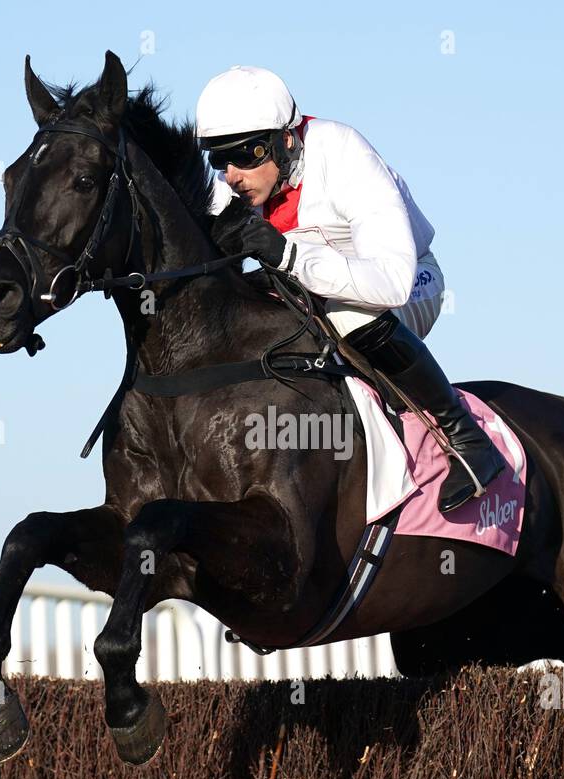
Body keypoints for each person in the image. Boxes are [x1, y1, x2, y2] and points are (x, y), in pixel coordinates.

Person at [195, 65, 507, 513]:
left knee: (348, 313)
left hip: (410, 283)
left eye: (246, 154)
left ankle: (465, 436)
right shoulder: (237, 184)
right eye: (218, 160)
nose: (232, 175)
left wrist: (288, 257)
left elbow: (392, 282)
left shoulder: (343, 152)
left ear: (286, 140)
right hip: (312, 291)